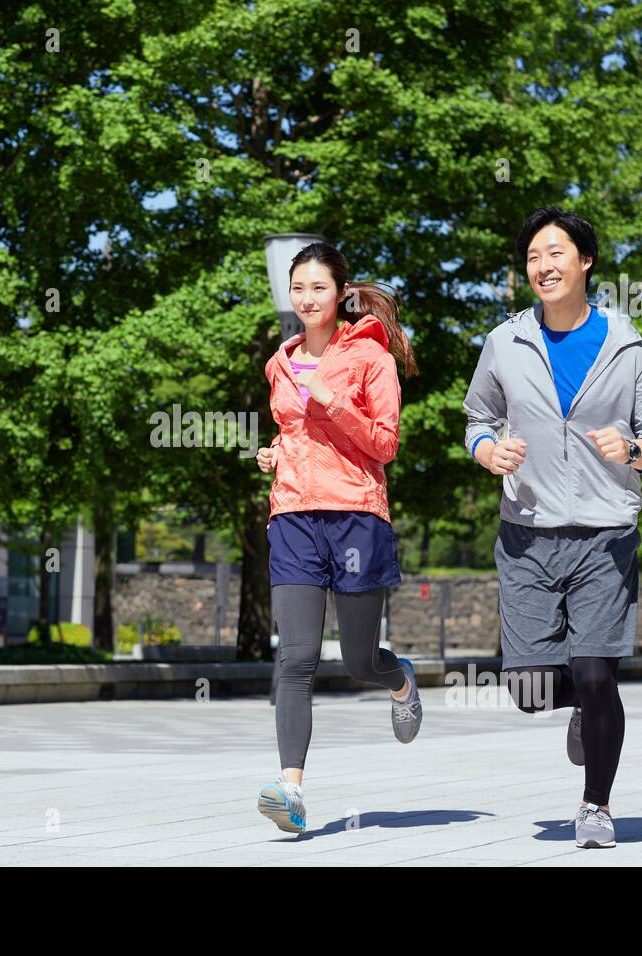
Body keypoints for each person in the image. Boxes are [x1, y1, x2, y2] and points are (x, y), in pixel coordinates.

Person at [462, 207, 642, 848]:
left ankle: (595, 806)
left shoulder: (629, 348)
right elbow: (478, 414)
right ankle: (585, 708)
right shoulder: (506, 341)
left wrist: (635, 451)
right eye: (532, 257)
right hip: (526, 532)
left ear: (585, 262)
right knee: (529, 691)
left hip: (605, 533)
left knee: (593, 672)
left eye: (555, 253)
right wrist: (486, 451)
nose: (542, 266)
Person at [253, 241, 420, 834]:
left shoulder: (372, 359)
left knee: (356, 662)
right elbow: (291, 429)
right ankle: (290, 789)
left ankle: (398, 677)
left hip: (355, 516)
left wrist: (333, 404)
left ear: (340, 293)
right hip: (293, 516)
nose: (306, 299)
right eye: (298, 289)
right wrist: (277, 453)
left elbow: (386, 444)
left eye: (318, 288)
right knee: (294, 659)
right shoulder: (280, 361)